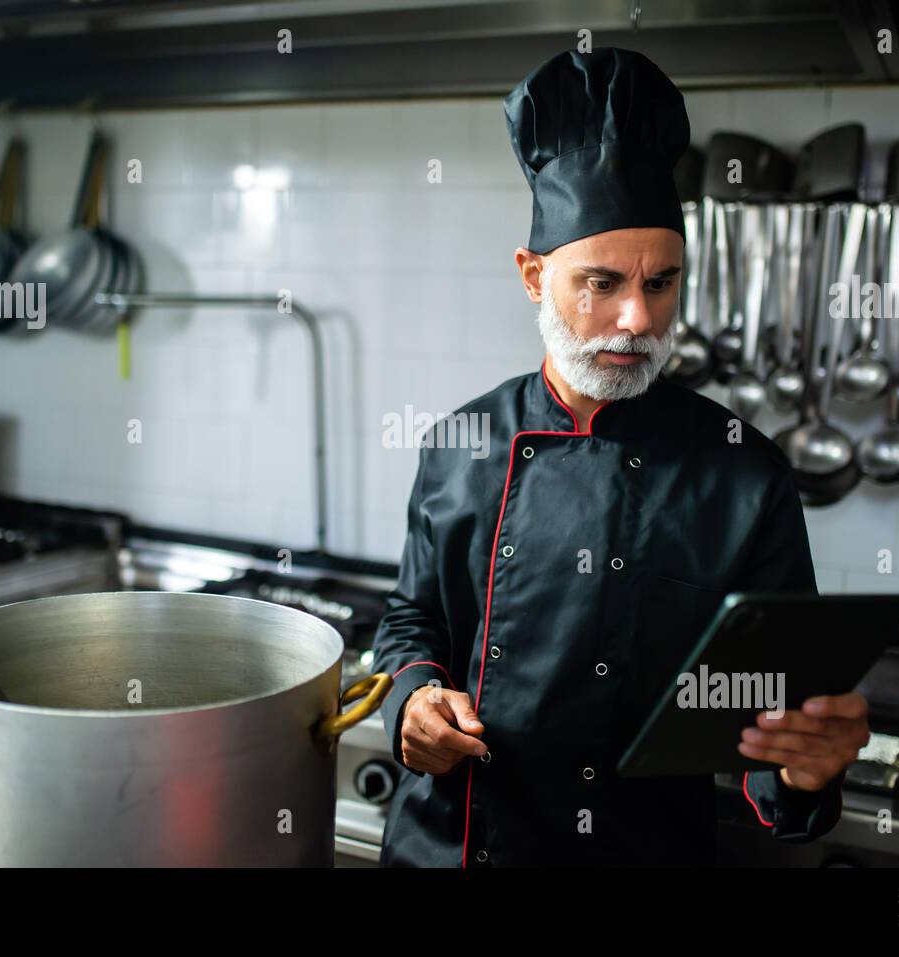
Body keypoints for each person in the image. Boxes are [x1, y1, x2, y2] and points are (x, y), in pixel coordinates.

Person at [371, 47, 868, 867]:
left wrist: (806, 770)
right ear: (534, 276)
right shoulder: (460, 442)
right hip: (450, 848)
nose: (638, 318)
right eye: (601, 283)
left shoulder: (744, 473)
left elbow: (773, 716)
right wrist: (413, 700)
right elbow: (411, 617)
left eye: (663, 282)